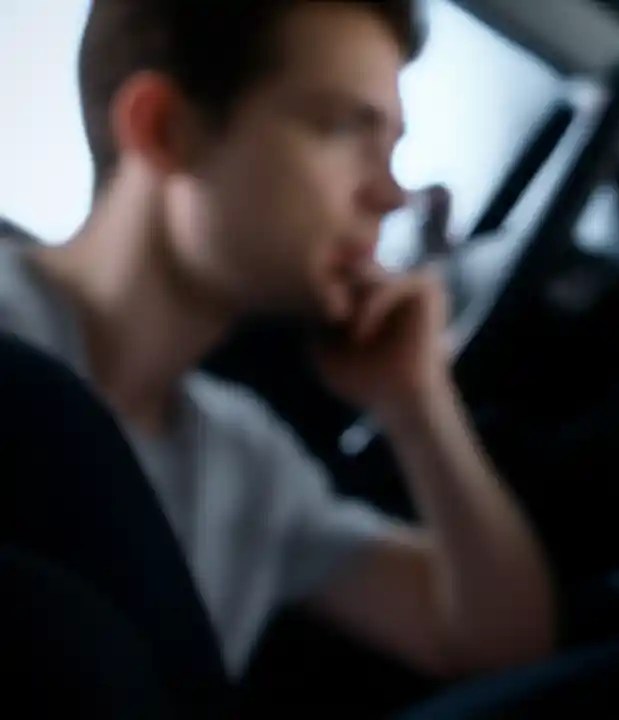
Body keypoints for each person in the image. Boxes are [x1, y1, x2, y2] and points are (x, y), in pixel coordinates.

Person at [0, 0, 555, 682]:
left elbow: (496, 642)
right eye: (342, 127)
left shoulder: (243, 460)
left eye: (392, 150)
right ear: (165, 128)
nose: (391, 195)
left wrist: (417, 401)